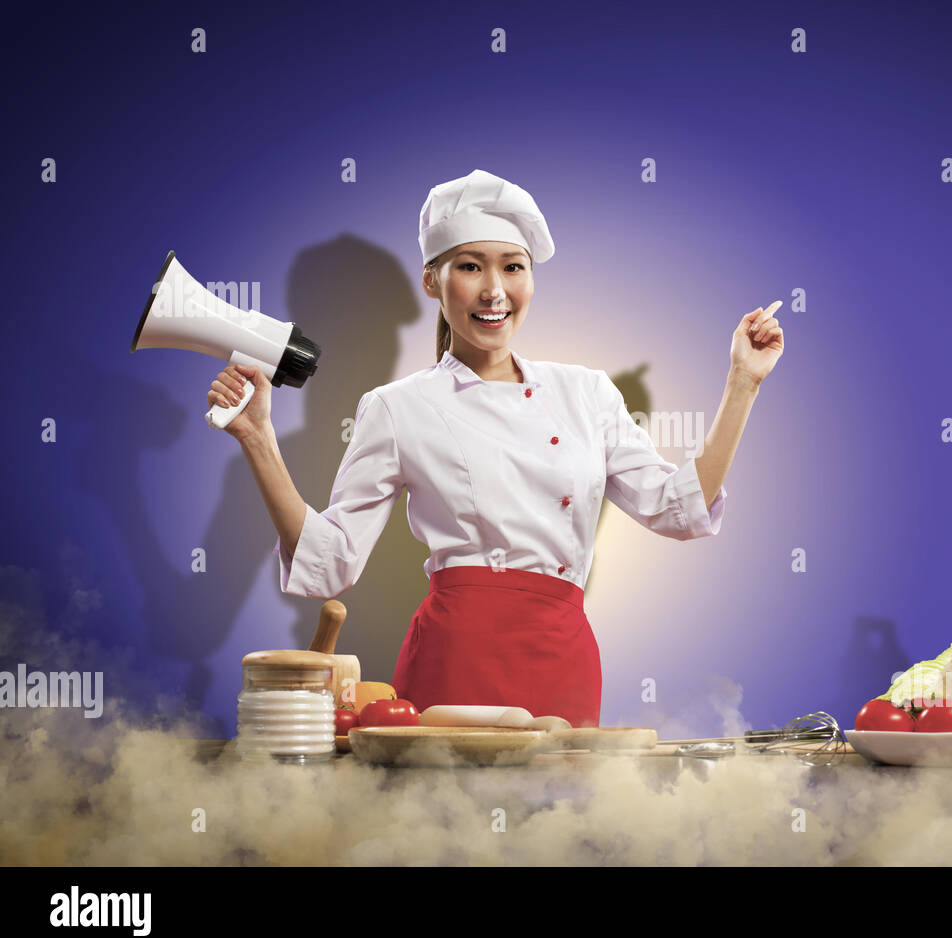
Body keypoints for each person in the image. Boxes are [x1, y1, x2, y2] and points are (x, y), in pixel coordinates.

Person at [210, 168, 785, 727]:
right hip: (453, 664)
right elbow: (330, 564)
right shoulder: (396, 407)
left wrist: (742, 385)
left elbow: (678, 509)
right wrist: (259, 437)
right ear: (433, 281)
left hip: (564, 659)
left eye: (513, 267)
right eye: (469, 266)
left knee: (558, 819)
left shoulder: (586, 393)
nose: (494, 290)